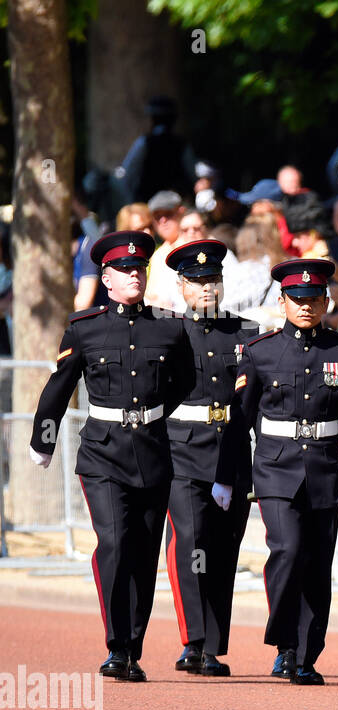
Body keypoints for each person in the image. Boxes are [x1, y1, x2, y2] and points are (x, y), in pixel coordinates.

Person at [28, 230, 196, 681]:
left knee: (142, 554)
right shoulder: (86, 327)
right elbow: (59, 386)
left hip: (154, 452)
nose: (134, 275)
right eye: (124, 270)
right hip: (102, 454)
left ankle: (133, 648)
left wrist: (154, 415)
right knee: (116, 544)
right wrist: (43, 439)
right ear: (105, 278)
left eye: (139, 268)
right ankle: (115, 645)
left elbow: (183, 381)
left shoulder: (170, 325)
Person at [215, 259, 338, 685]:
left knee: (317, 565)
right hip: (274, 468)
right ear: (283, 301)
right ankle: (285, 641)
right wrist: (227, 477)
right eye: (297, 299)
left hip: (325, 471)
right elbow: (239, 422)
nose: (306, 306)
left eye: (313, 299)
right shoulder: (260, 352)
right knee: (287, 550)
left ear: (326, 301)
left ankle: (304, 656)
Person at [163, 239, 260, 677]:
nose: (207, 288)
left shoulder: (247, 333)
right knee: (190, 543)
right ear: (181, 286)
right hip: (181, 448)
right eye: (198, 281)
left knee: (224, 548)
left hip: (232, 450)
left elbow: (255, 400)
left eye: (213, 280)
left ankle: (214, 645)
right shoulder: (167, 332)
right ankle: (193, 639)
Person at [144, 191, 185, 308]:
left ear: (181, 212)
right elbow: (152, 296)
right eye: (157, 217)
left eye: (168, 214)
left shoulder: (196, 241)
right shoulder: (158, 255)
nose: (163, 220)